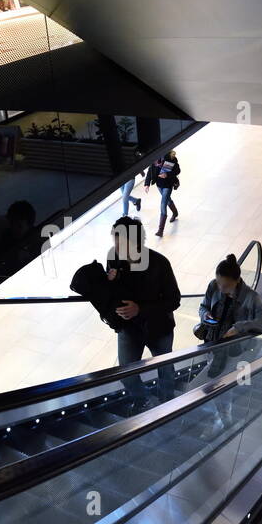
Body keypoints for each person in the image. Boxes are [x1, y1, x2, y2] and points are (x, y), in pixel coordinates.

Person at [108, 216, 181, 408]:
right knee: (126, 374)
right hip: (129, 330)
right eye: (115, 244)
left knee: (165, 368)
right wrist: (109, 283)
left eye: (121, 245)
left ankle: (167, 402)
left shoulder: (159, 263)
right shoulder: (115, 260)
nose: (116, 250)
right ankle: (142, 401)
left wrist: (140, 309)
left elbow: (174, 300)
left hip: (158, 328)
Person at [145, 150, 181, 237]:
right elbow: (150, 170)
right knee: (168, 200)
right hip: (159, 185)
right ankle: (175, 213)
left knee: (163, 203)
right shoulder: (155, 158)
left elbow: (177, 171)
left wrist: (167, 174)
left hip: (168, 184)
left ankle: (160, 230)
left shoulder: (171, 158)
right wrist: (147, 184)